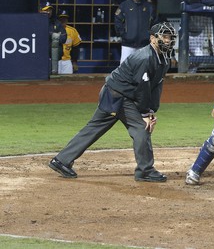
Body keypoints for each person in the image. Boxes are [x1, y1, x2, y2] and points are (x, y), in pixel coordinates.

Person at [48, 22, 177, 182]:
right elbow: (142, 89)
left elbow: (155, 87)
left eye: (170, 37)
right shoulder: (144, 57)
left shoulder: (164, 58)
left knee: (95, 127)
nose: (167, 40)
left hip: (119, 93)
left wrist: (151, 111)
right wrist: (144, 114)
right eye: (164, 37)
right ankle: (145, 170)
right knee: (141, 128)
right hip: (117, 95)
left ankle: (61, 160)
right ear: (152, 38)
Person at [182, 0, 214, 74]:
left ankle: (190, 74)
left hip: (199, 34)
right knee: (186, 57)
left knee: (199, 58)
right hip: (187, 34)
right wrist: (203, 0)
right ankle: (184, 74)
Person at [114, 0, 155, 64]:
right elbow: (118, 21)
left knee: (143, 69)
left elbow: (154, 23)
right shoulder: (124, 5)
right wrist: (124, 34)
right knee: (124, 69)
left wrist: (150, 35)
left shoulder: (148, 6)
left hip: (144, 44)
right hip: (128, 44)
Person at [40, 1, 66, 75]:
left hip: (54, 59)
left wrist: (52, 35)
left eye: (50, 10)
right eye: (46, 10)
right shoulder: (35, 22)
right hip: (40, 58)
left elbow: (64, 38)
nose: (48, 12)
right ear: (40, 10)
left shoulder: (56, 23)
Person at [57, 9, 82, 74]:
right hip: (54, 61)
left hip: (67, 61)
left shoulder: (72, 31)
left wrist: (74, 62)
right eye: (61, 18)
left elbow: (75, 48)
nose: (63, 20)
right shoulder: (53, 29)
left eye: (65, 18)